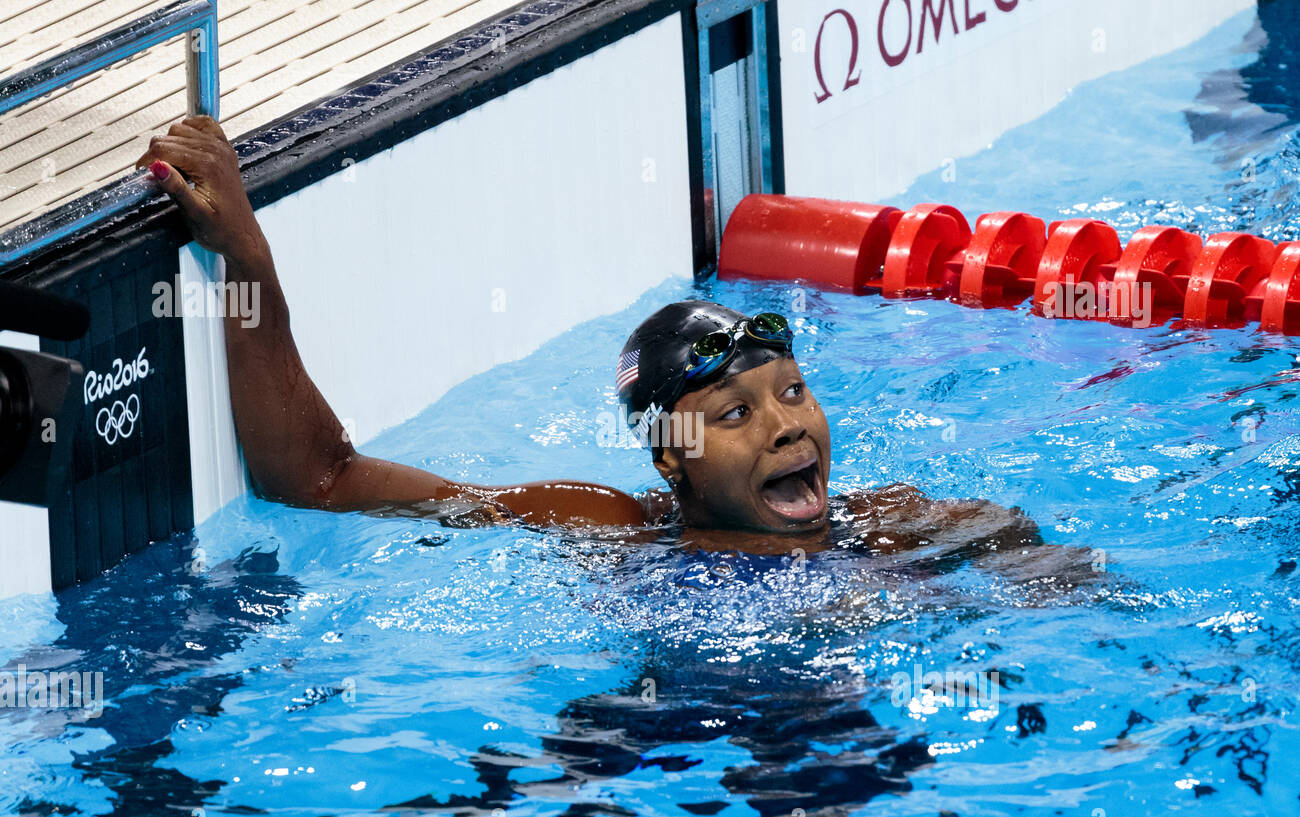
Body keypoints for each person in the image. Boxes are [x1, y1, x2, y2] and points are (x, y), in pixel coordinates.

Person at [137, 117, 1091, 579]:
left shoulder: (891, 528)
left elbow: (1055, 570)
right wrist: (246, 257)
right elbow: (318, 480)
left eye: (793, 392)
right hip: (652, 743)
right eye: (735, 413)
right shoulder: (607, 527)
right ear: (671, 459)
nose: (786, 425)